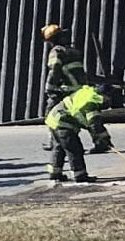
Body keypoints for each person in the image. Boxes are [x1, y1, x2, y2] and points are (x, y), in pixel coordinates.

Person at [41, 23, 107, 153]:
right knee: (89, 115)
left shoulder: (56, 52)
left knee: (52, 114)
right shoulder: (73, 51)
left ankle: (55, 142)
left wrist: (50, 88)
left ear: (50, 41)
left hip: (67, 90)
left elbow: (55, 71)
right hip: (81, 89)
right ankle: (101, 141)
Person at [45, 84, 113, 183]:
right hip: (64, 123)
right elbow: (94, 125)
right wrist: (104, 140)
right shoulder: (91, 103)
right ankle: (79, 175)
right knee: (74, 149)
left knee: (59, 147)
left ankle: (55, 173)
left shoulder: (87, 93)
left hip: (54, 119)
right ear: (105, 96)